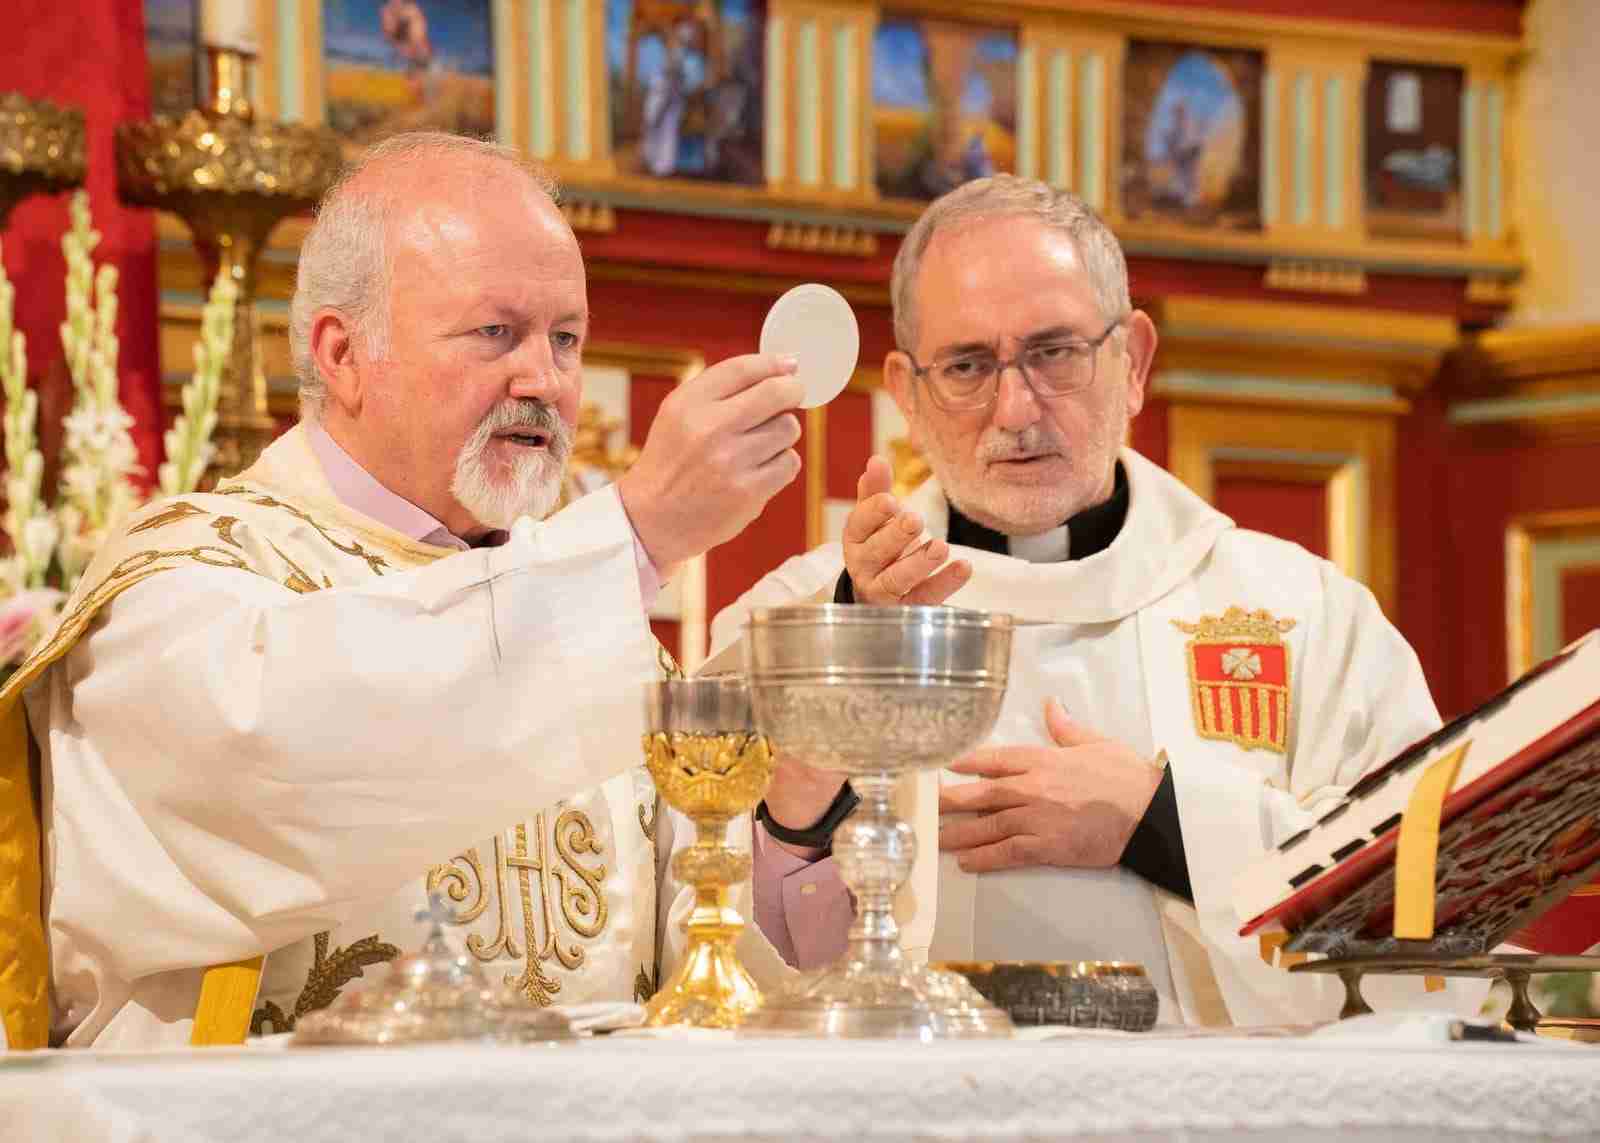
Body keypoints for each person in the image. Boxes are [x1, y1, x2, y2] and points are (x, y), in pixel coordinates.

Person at [1, 132, 804, 1048]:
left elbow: (704, 952)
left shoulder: (593, 618)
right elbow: (286, 757)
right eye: (495, 333)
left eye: (566, 338)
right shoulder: (181, 587)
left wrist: (805, 801)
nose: (544, 380)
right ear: (342, 355)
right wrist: (638, 533)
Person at [704, 174, 1470, 1026]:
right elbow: (701, 957)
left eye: (1054, 352)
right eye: (966, 365)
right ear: (909, 394)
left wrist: (1160, 821)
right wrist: (820, 752)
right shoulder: (798, 626)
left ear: (1134, 361)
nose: (1016, 407)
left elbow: (1427, 917)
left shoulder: (1307, 618)